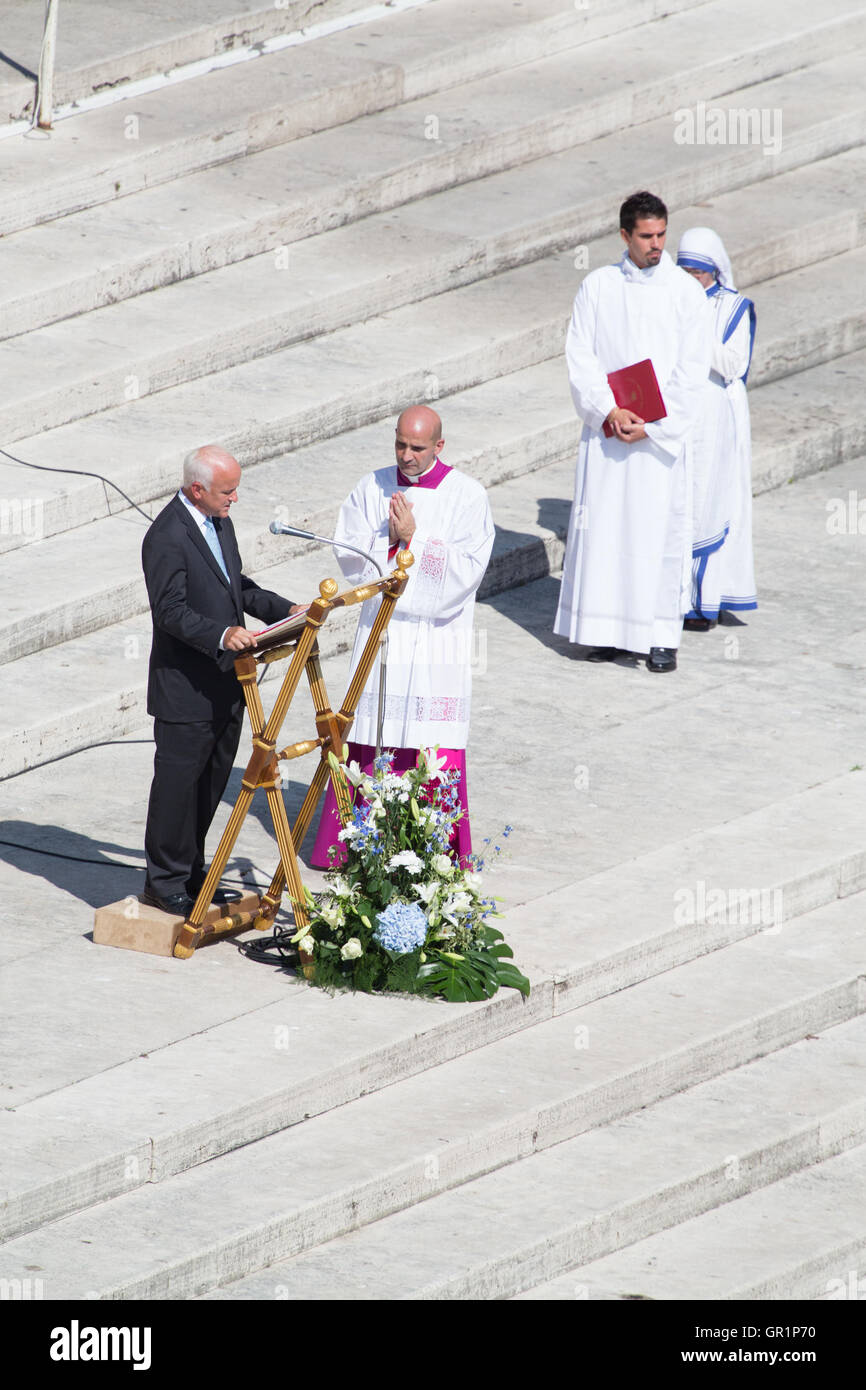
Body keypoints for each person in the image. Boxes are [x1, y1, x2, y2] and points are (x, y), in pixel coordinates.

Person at [309, 405, 494, 868]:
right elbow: (349, 556)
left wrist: (415, 538)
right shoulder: (370, 486)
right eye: (400, 445)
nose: (406, 456)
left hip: (437, 639)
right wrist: (390, 542)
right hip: (382, 631)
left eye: (417, 447)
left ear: (439, 446)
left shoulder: (467, 495)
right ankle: (353, 848)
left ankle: (435, 854)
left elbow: (469, 570)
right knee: (371, 736)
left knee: (431, 739)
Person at [554, 190, 712, 672]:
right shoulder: (598, 287)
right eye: (646, 236)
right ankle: (608, 630)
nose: (657, 244)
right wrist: (608, 410)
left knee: (657, 534)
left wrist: (655, 425)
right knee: (607, 531)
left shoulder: (685, 293)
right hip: (610, 433)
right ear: (625, 235)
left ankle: (660, 636)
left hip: (658, 439)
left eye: (663, 234)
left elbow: (693, 369)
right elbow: (580, 356)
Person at [141, 444, 301, 916]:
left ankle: (192, 874)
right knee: (177, 787)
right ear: (198, 489)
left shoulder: (219, 521)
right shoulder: (166, 536)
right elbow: (169, 611)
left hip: (227, 684)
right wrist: (221, 633)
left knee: (209, 786)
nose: (234, 499)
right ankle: (163, 880)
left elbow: (237, 585)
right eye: (227, 492)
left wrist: (284, 609)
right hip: (186, 690)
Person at [676, 227, 757, 629]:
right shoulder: (668, 298)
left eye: (697, 271)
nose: (690, 277)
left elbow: (733, 365)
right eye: (684, 269)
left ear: (714, 271)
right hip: (677, 415)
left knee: (710, 502)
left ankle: (704, 601)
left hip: (715, 419)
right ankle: (675, 595)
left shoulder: (735, 307)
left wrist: (695, 333)